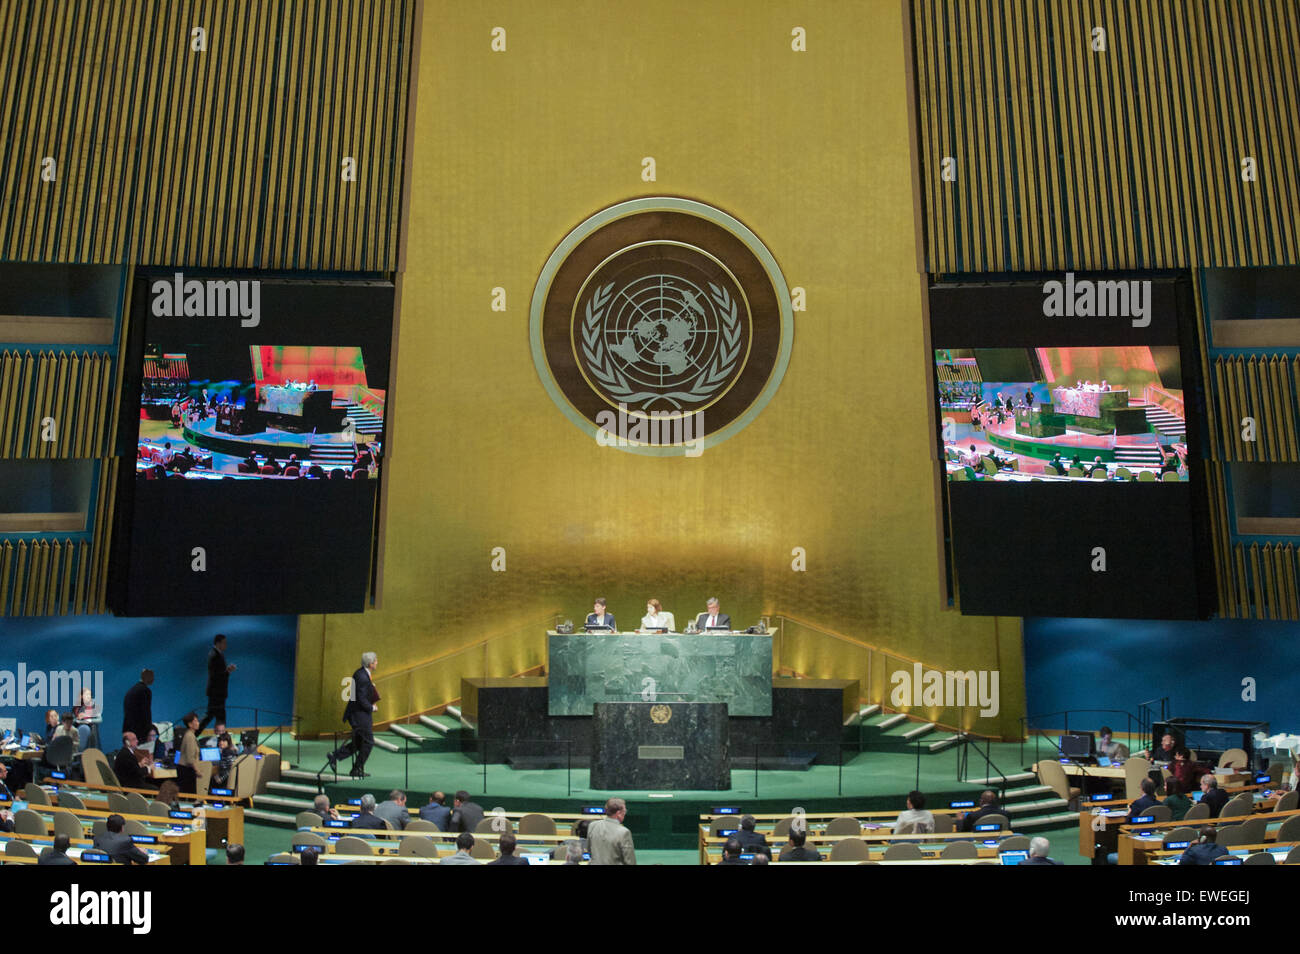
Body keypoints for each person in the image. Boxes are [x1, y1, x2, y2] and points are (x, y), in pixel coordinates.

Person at [327, 652, 380, 778]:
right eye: (376, 661)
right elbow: (361, 698)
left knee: (358, 743)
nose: (377, 663)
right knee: (368, 742)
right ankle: (357, 769)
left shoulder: (361, 673)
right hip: (359, 715)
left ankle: (334, 756)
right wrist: (372, 707)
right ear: (370, 663)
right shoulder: (362, 676)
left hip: (358, 714)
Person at [199, 634, 236, 733]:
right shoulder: (214, 655)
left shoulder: (218, 654)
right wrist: (227, 671)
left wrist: (227, 671)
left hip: (218, 692)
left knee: (216, 715)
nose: (226, 645)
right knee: (213, 715)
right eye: (224, 643)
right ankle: (195, 733)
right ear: (218, 643)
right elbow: (215, 675)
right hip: (216, 692)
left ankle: (221, 736)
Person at [588, 796, 636, 865]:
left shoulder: (592, 825)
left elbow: (589, 850)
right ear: (618, 813)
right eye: (625, 811)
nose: (625, 813)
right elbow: (630, 861)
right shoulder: (624, 832)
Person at [122, 669, 154, 743]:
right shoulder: (145, 691)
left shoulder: (132, 690)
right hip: (139, 731)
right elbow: (146, 712)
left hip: (127, 728)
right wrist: (149, 730)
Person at [175, 711, 201, 793]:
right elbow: (190, 759)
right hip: (186, 771)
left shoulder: (190, 735)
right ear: (190, 724)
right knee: (189, 795)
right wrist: (197, 771)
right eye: (195, 721)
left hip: (185, 769)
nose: (198, 723)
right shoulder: (190, 736)